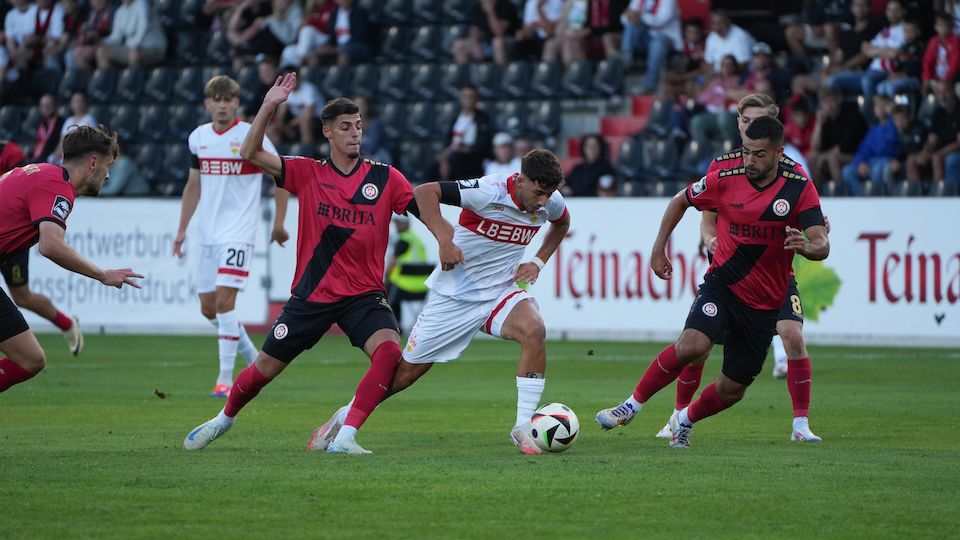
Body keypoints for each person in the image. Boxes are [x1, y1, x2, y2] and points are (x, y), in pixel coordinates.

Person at [182, 77, 418, 455]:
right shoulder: (309, 172)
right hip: (312, 295)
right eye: (345, 127)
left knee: (389, 353)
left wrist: (444, 238)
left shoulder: (384, 176)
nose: (354, 134)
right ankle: (223, 419)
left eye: (358, 126)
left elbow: (421, 204)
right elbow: (250, 151)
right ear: (327, 132)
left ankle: (344, 437)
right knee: (263, 370)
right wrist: (269, 105)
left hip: (363, 295)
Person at [310, 149, 570, 455]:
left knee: (534, 329)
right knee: (404, 375)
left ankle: (523, 426)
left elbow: (561, 224)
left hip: (500, 291)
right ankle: (345, 417)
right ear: (521, 179)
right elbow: (425, 192)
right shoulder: (487, 191)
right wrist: (444, 241)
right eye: (539, 192)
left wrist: (538, 262)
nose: (543, 202)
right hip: (456, 296)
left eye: (549, 194)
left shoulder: (550, 202)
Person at [596, 116, 829, 448]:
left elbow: (822, 241)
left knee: (732, 389)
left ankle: (684, 420)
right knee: (693, 345)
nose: (750, 160)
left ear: (779, 153)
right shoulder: (725, 178)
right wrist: (658, 247)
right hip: (723, 284)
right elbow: (681, 200)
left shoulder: (799, 187)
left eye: (759, 154)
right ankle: (630, 406)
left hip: (765, 302)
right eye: (746, 152)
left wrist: (808, 246)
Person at [655, 93, 827, 443]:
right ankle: (677, 415)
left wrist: (812, 239)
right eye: (746, 121)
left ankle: (800, 424)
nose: (751, 127)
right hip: (730, 270)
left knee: (792, 335)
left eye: (759, 120)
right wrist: (709, 239)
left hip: (775, 273)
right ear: (738, 124)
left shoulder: (794, 174)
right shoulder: (722, 166)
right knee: (697, 344)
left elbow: (814, 223)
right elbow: (707, 214)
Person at [0, 125, 143, 394]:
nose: (108, 174)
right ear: (93, 162)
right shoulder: (57, 186)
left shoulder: (40, 172)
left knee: (29, 358)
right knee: (29, 359)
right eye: (108, 165)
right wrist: (103, 274)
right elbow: (51, 245)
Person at [174, 75, 290, 397]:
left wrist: (278, 223)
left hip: (239, 233)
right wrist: (183, 229)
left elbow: (283, 178)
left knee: (226, 303)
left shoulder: (253, 138)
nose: (223, 105)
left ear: (237, 103)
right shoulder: (198, 138)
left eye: (229, 99)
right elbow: (193, 184)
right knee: (209, 309)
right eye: (217, 99)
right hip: (208, 234)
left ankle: (225, 380)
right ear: (207, 103)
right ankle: (253, 358)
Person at [0, 137, 83, 355]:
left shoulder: (11, 151)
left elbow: (21, 187)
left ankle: (67, 324)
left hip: (12, 232)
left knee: (21, 296)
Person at [384, 215, 429, 333]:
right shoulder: (416, 240)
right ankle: (399, 326)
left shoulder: (403, 240)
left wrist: (386, 276)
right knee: (392, 290)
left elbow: (392, 263)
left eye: (398, 223)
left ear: (406, 224)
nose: (396, 225)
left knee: (386, 289)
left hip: (404, 287)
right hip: (422, 289)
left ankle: (394, 326)